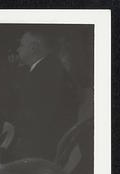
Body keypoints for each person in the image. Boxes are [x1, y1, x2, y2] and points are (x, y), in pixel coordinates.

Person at [7, 28, 77, 160]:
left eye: (21, 45)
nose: (17, 49)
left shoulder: (44, 74)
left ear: (33, 48)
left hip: (40, 151)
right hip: (44, 145)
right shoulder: (47, 68)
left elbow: (36, 120)